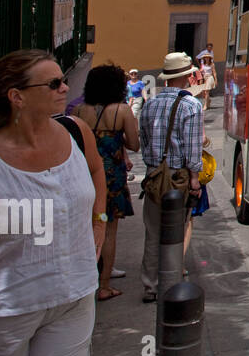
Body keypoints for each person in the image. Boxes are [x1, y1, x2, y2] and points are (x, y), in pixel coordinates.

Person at [0, 50, 106, 356]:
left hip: (74, 301)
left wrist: (100, 221)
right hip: (3, 314)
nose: (65, 88)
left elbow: (96, 170)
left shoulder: (76, 131)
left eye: (63, 80)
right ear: (17, 97)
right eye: (53, 83)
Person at [137, 52, 203, 303]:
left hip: (153, 175)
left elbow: (142, 141)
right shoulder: (191, 105)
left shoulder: (149, 104)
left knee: (153, 232)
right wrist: (194, 179)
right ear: (186, 76)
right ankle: (171, 281)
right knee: (176, 230)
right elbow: (192, 147)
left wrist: (153, 165)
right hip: (177, 177)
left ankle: (150, 285)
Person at [73, 64, 140, 302]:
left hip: (84, 176)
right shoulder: (121, 111)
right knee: (108, 229)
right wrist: (116, 137)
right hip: (111, 179)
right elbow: (134, 144)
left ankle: (83, 281)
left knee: (84, 228)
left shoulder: (79, 111)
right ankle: (104, 285)